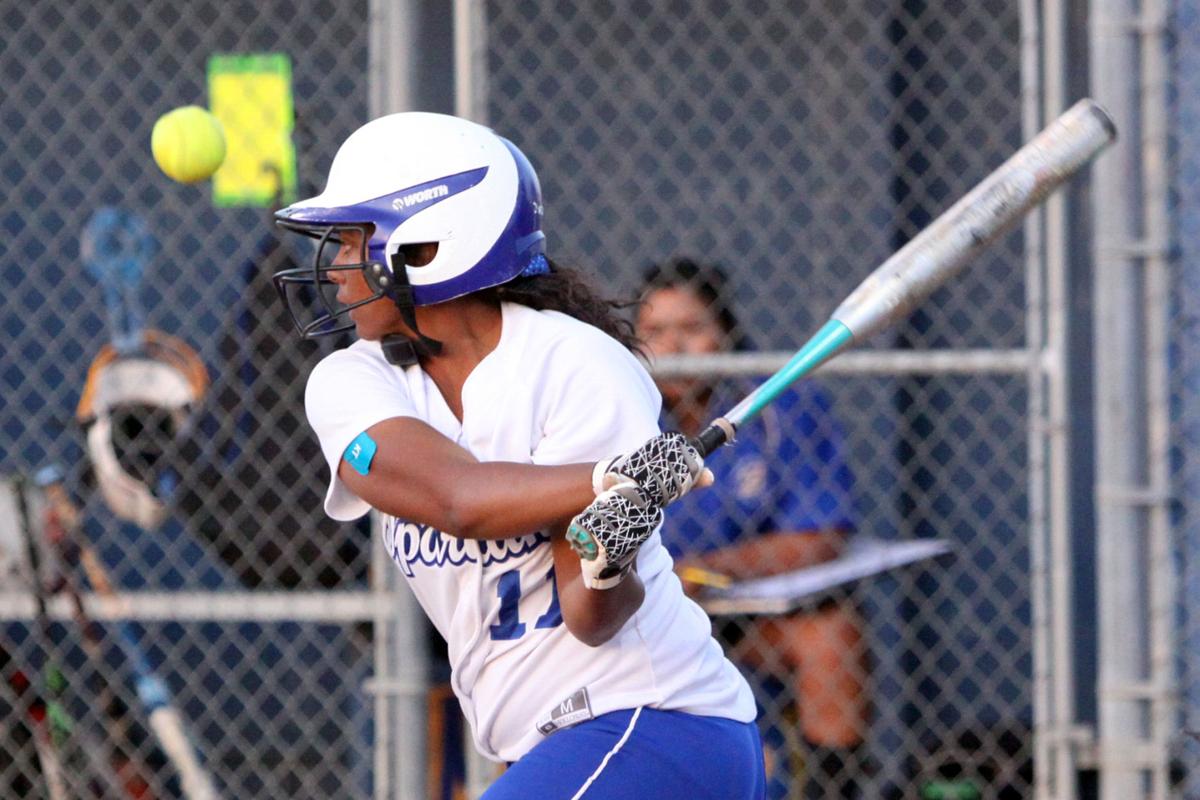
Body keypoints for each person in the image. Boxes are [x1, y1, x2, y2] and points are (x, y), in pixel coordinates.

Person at [271, 112, 766, 799]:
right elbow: (457, 499)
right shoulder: (352, 380)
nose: (337, 273)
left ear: (428, 247)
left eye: (357, 241)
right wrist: (607, 482)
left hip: (656, 724)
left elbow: (593, 618)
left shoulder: (575, 365)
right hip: (563, 748)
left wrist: (602, 566)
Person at [636, 258, 868, 799]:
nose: (674, 347)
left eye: (692, 329)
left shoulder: (776, 404)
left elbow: (819, 537)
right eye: (655, 332)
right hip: (638, 614)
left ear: (725, 333)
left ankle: (833, 791)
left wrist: (708, 570)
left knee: (831, 635)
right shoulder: (618, 408)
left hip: (743, 613)